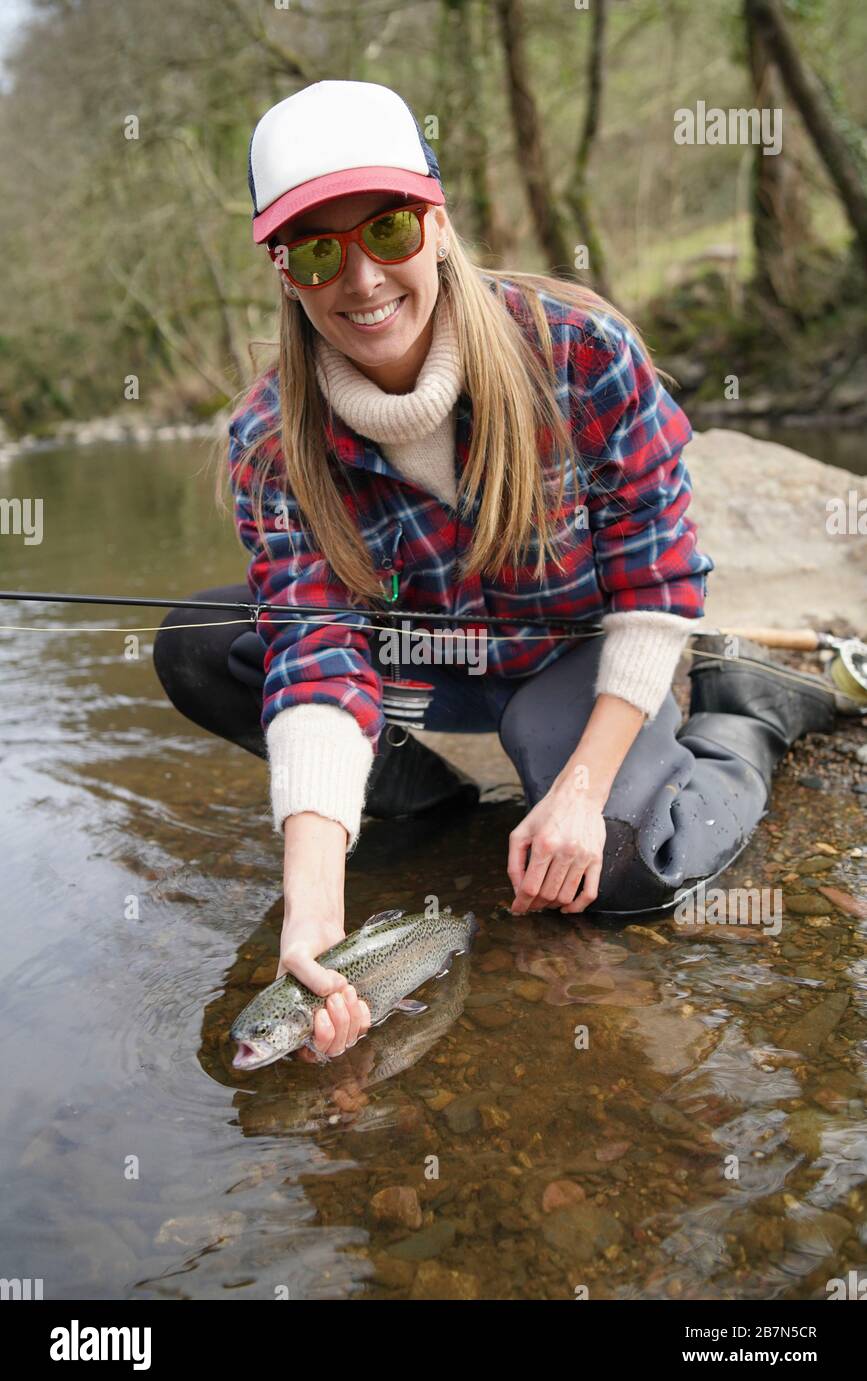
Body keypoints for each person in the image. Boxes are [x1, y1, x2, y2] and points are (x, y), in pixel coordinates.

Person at [153, 80, 836, 1061]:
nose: (360, 279)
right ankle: (425, 803)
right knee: (196, 644)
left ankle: (746, 716)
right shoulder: (269, 441)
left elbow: (660, 581)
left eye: (385, 229)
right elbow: (315, 655)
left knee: (632, 867)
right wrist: (312, 916)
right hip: (422, 658)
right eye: (315, 248)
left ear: (434, 221)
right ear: (284, 272)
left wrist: (581, 789)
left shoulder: (580, 352)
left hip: (568, 660)